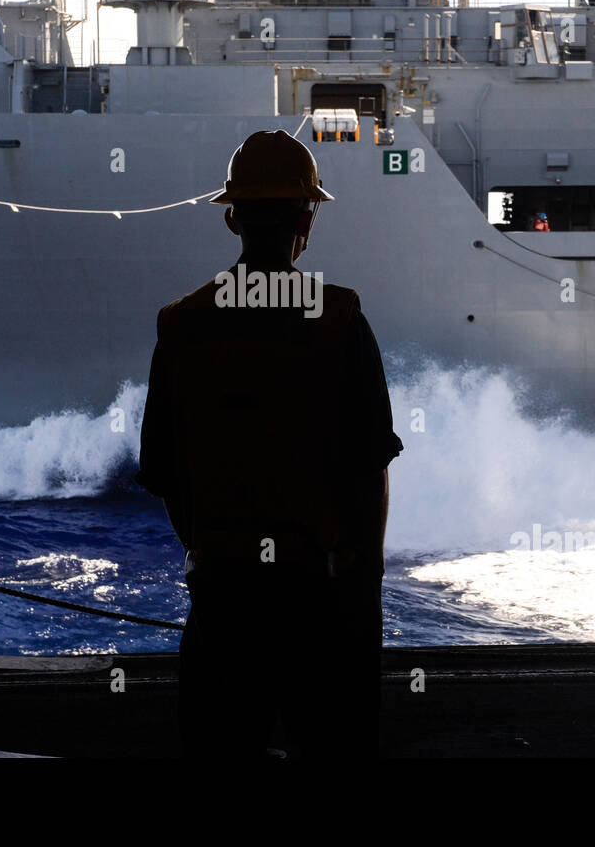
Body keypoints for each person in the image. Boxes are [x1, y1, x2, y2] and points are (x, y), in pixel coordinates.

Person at [136, 129, 402, 759]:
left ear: (232, 219)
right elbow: (371, 465)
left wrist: (210, 553)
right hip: (322, 598)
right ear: (307, 220)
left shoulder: (182, 324)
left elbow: (166, 474)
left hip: (225, 599)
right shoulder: (339, 318)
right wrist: (365, 578)